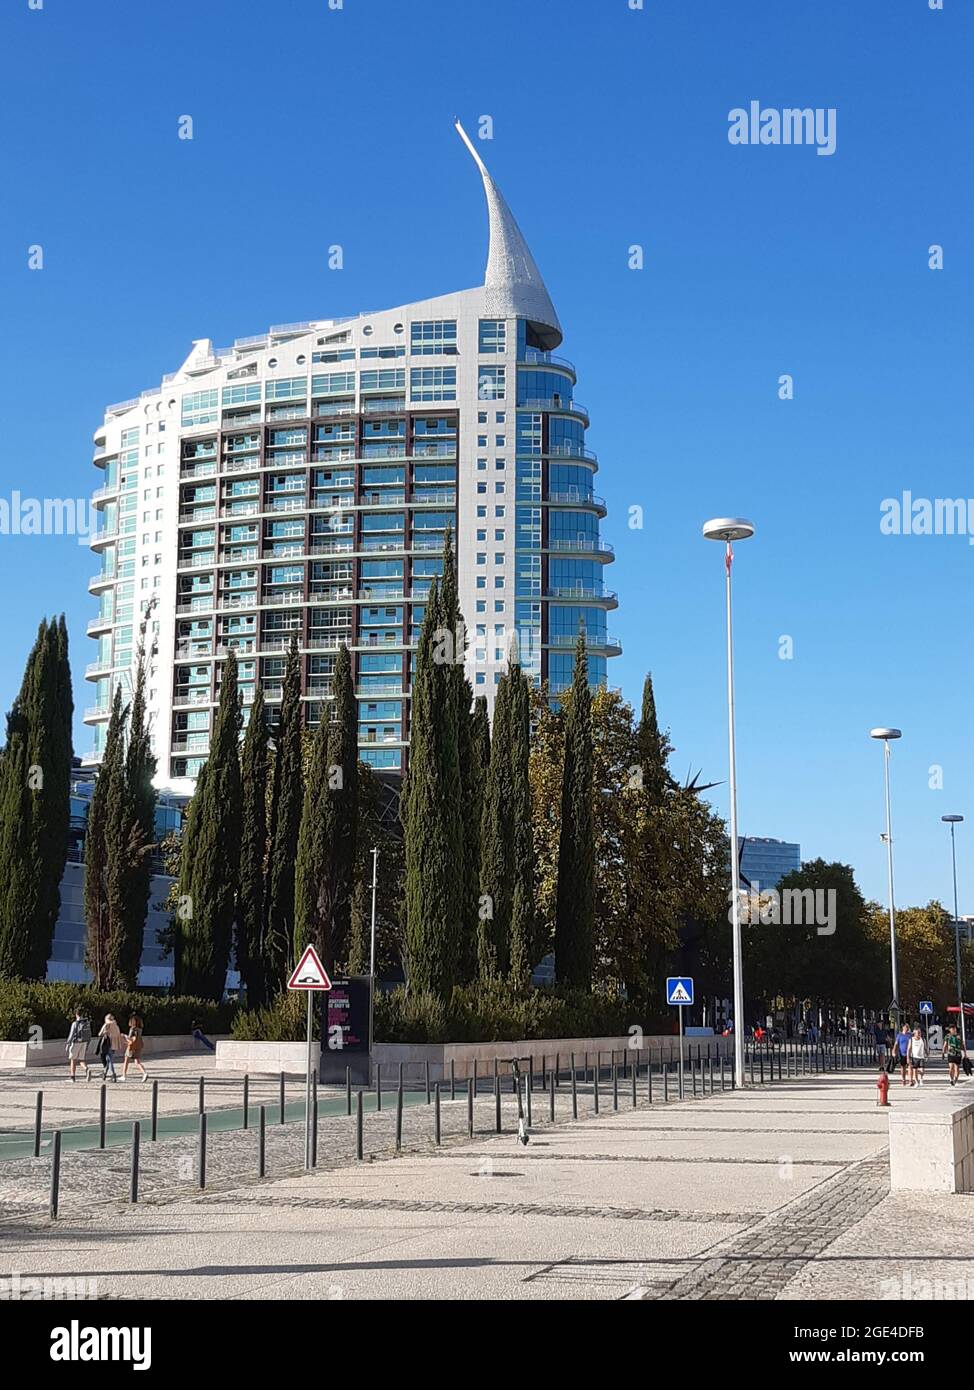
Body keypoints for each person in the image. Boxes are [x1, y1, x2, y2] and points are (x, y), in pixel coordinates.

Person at [65, 1008, 92, 1083]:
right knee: (81, 1059)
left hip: (76, 1042)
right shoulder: (86, 1023)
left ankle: (72, 1077)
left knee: (73, 1059)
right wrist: (87, 1044)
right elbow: (89, 1034)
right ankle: (87, 1069)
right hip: (84, 1042)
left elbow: (71, 1035)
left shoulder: (75, 1023)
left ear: (76, 1014)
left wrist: (68, 1044)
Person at [97, 1013, 124, 1082]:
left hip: (107, 1044)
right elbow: (118, 1035)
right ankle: (105, 1073)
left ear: (106, 1019)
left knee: (109, 1060)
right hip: (114, 1045)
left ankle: (113, 1075)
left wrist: (105, 1033)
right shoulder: (116, 1026)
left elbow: (100, 1034)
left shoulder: (107, 1025)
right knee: (109, 1059)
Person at [122, 1013, 148, 1082]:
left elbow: (130, 1039)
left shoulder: (132, 1029)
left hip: (131, 1047)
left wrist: (124, 1036)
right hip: (138, 1046)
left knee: (126, 1060)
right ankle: (144, 1073)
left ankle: (124, 1076)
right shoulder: (140, 1029)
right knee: (137, 1062)